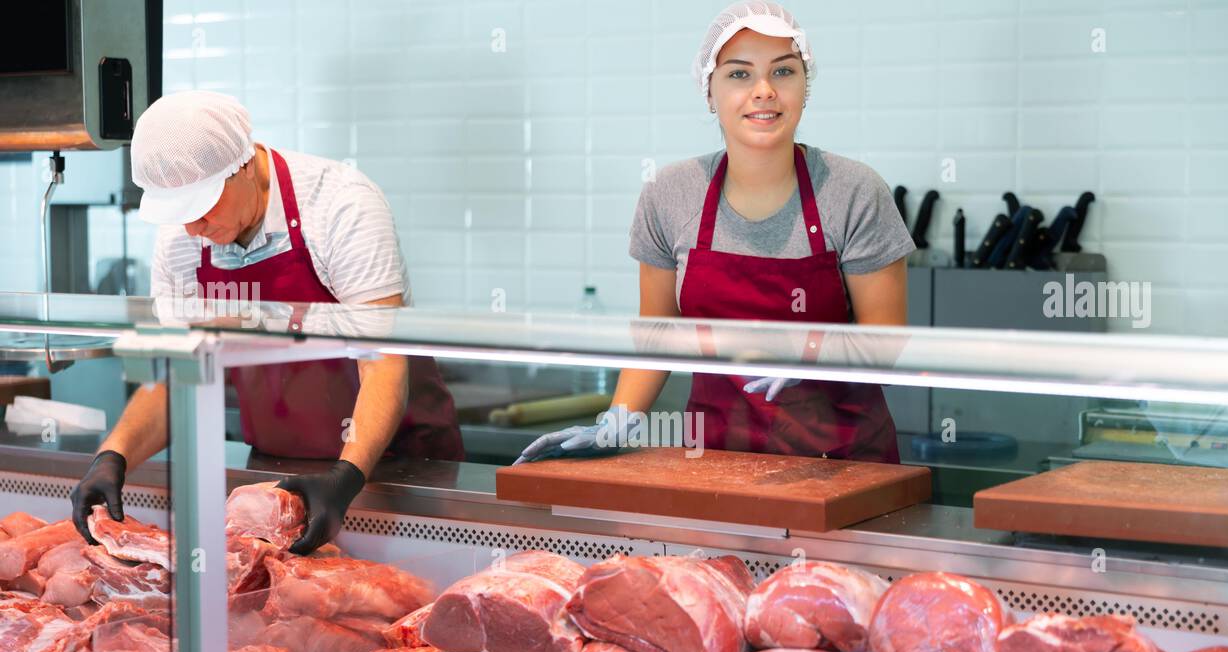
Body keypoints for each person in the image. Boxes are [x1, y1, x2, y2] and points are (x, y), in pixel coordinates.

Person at [518, 1, 913, 466]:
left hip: (843, 464)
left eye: (783, 72)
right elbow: (659, 334)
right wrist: (616, 421)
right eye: (739, 75)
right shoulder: (670, 195)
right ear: (709, 91)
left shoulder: (853, 191)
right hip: (716, 458)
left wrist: (812, 352)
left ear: (806, 86)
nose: (763, 91)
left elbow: (886, 341)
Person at [71, 91, 463, 554]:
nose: (193, 227)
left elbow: (382, 362)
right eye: (180, 214)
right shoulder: (182, 240)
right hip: (275, 481)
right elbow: (177, 375)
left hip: (394, 473)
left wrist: (346, 476)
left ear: (241, 165)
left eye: (201, 206)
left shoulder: (340, 204)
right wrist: (113, 455)